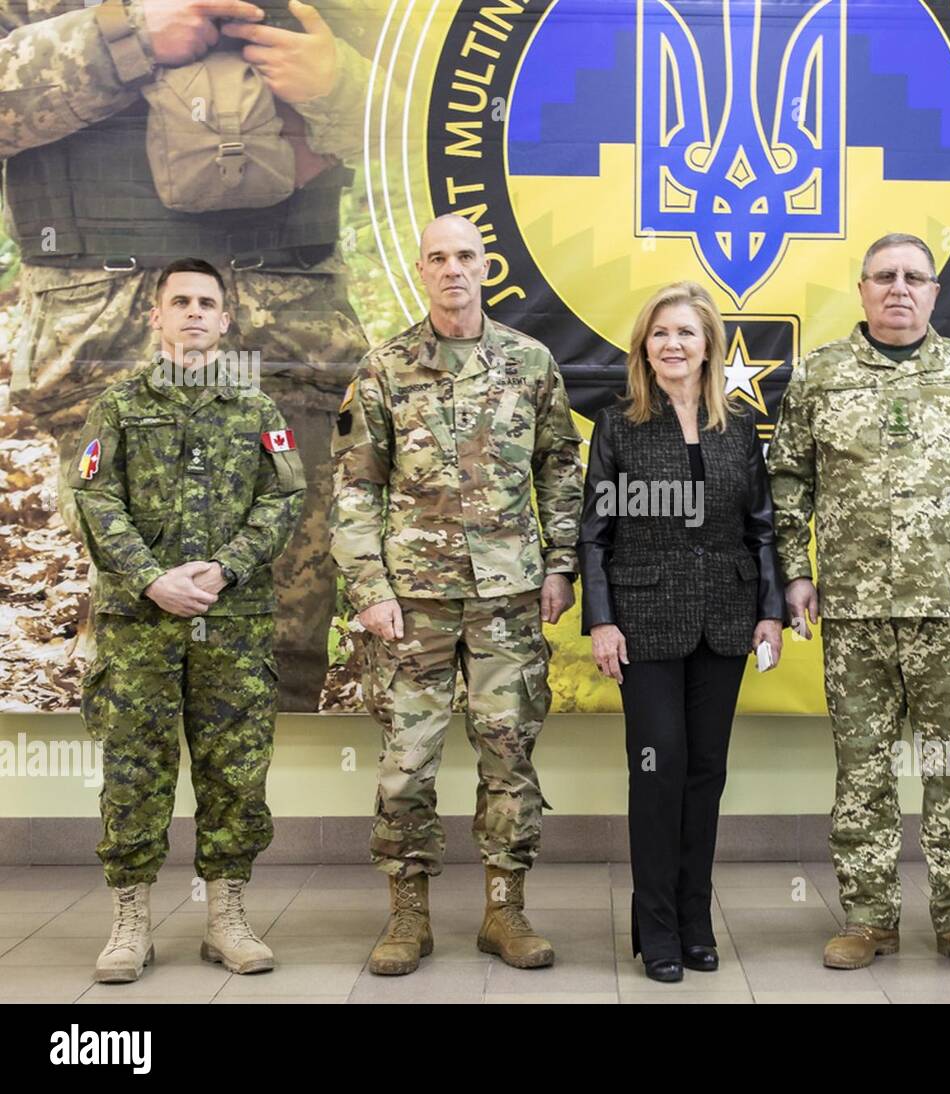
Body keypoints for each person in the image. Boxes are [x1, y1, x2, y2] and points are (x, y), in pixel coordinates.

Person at [1, 0, 373, 711]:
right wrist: (124, 40)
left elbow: (437, 123)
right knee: (137, 609)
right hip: (103, 325)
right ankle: (131, 808)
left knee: (283, 627)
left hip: (283, 321)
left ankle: (278, 806)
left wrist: (337, 82)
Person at [767, 234, 950, 974]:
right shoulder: (820, 377)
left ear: (935, 291)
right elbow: (789, 482)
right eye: (884, 276)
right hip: (853, 611)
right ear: (861, 289)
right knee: (862, 769)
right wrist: (795, 572)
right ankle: (868, 918)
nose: (899, 289)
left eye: (914, 277)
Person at [330, 215, 583, 975]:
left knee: (509, 756)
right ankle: (408, 915)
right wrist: (370, 589)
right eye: (437, 258)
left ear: (486, 265)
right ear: (420, 270)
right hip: (413, 602)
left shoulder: (531, 364)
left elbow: (560, 471)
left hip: (508, 596)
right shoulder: (384, 369)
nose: (452, 270)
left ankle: (504, 910)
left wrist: (561, 564)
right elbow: (353, 489)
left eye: (465, 256)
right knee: (408, 761)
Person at [73, 258, 306, 983]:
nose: (195, 313)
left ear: (226, 319)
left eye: (208, 302)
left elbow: (285, 499)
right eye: (181, 302)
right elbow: (93, 498)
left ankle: (227, 916)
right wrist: (151, 579)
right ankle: (130, 921)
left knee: (235, 771)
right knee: (133, 771)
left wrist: (226, 565)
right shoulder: (116, 406)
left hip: (231, 618)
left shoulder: (257, 410)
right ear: (157, 316)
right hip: (138, 622)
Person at [578, 282, 785, 983]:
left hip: (724, 623)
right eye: (660, 333)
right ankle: (656, 927)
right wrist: (601, 620)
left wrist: (769, 609)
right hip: (644, 624)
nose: (673, 344)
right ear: (645, 347)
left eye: (686, 334)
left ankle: (696, 921)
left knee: (705, 774)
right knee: (658, 770)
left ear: (708, 348)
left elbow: (762, 529)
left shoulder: (740, 430)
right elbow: (595, 536)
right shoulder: (620, 427)